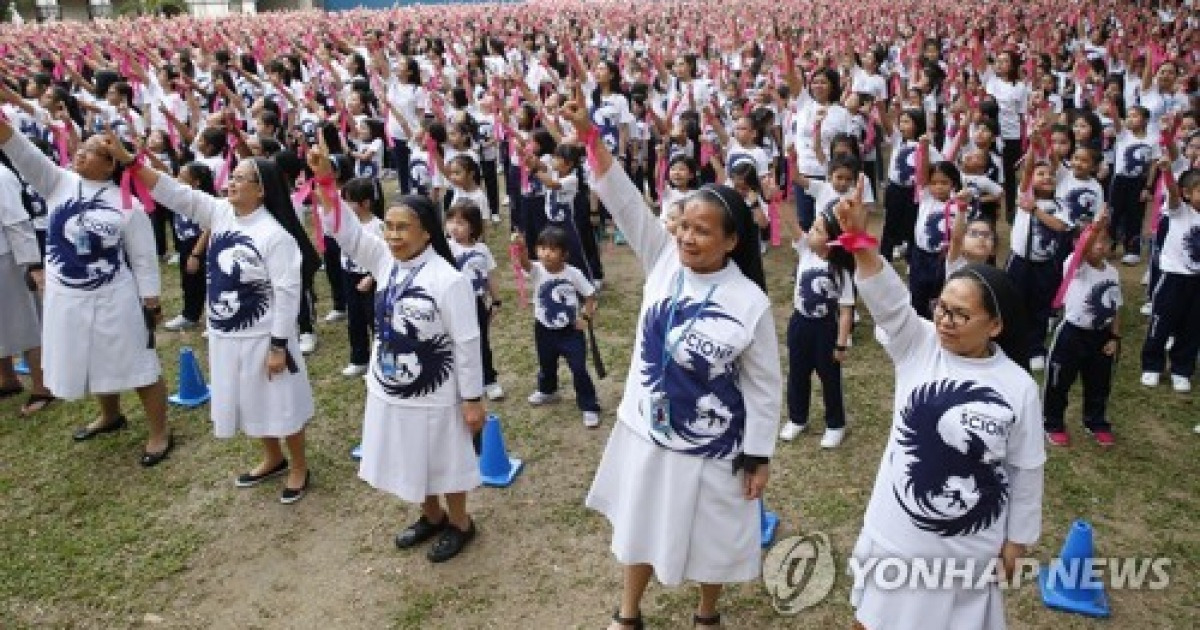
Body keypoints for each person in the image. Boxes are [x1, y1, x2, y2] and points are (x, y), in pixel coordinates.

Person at [565, 101, 781, 629]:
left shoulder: (749, 301)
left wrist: (758, 454)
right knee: (638, 527)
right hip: (647, 430)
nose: (686, 237)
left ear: (732, 241)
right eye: (683, 226)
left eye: (703, 231)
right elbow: (622, 200)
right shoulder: (663, 259)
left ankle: (707, 614)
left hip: (712, 444)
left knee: (712, 537)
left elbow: (763, 386)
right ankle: (628, 613)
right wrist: (592, 139)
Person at [833, 177, 1045, 630]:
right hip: (898, 530)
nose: (945, 321)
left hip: (966, 548)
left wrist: (1017, 542)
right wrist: (862, 244)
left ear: (994, 327)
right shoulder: (920, 345)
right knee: (871, 619)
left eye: (961, 314)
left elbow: (1026, 468)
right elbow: (890, 305)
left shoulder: (1017, 385)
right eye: (942, 308)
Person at [113, 139, 318, 499]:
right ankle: (272, 458)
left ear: (261, 189)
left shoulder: (275, 236)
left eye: (241, 179)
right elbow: (175, 194)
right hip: (226, 334)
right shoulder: (221, 213)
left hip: (262, 336)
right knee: (250, 402)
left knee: (281, 404)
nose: (232, 183)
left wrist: (279, 346)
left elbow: (287, 296)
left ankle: (299, 466)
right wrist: (130, 161)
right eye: (232, 176)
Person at [309, 147, 486, 563]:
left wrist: (473, 398)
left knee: (443, 459)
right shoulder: (385, 262)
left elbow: (466, 342)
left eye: (403, 229)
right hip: (390, 384)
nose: (392, 236)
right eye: (388, 227)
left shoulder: (449, 280)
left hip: (436, 392)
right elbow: (347, 233)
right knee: (410, 456)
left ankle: (461, 523)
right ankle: (431, 514)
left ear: (427, 233)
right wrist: (326, 185)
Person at [0, 113, 171, 467]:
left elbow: (143, 258)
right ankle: (110, 415)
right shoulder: (58, 182)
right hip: (68, 296)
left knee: (138, 364)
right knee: (92, 359)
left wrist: (150, 301)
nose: (80, 153)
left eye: (93, 152)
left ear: (110, 166)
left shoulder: (127, 204)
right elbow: (19, 149)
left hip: (114, 295)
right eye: (81, 148)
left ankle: (159, 432)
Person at [1044, 210, 1121, 447]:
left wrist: (1114, 337)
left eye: (1104, 241)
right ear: (1080, 243)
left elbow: (1116, 306)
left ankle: (1095, 421)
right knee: (1060, 381)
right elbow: (1082, 253)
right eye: (1094, 240)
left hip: (1100, 336)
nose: (1100, 246)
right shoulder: (1075, 265)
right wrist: (1094, 227)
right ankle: (1053, 422)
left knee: (1099, 382)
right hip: (1072, 334)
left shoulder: (1113, 272)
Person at [511, 227, 601, 428]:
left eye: (552, 249)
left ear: (564, 254)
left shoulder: (573, 274)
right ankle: (548, 390)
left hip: (570, 331)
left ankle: (589, 406)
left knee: (578, 368)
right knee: (546, 363)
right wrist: (521, 246)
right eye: (542, 248)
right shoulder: (537, 270)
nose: (546, 253)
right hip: (544, 329)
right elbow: (524, 264)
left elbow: (590, 296)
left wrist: (586, 317)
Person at [0, 158, 54, 415]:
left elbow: (18, 223)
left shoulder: (1, 176)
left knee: (26, 323)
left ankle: (43, 386)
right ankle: (8, 379)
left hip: (7, 258)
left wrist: (32, 264)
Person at [1141, 166, 1200, 394]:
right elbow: (1173, 193)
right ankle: (1152, 364)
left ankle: (1181, 369)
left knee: (1193, 326)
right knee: (1161, 322)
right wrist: (1166, 172)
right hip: (1173, 278)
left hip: (1197, 282)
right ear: (1187, 193)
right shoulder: (1179, 210)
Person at [446, 200, 503, 401]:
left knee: (481, 342)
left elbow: (490, 276)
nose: (454, 226)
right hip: (452, 304)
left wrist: (496, 301)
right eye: (450, 220)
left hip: (476, 303)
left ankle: (489, 379)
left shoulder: (482, 249)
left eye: (461, 222)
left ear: (474, 227)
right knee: (454, 343)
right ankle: (457, 381)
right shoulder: (445, 248)